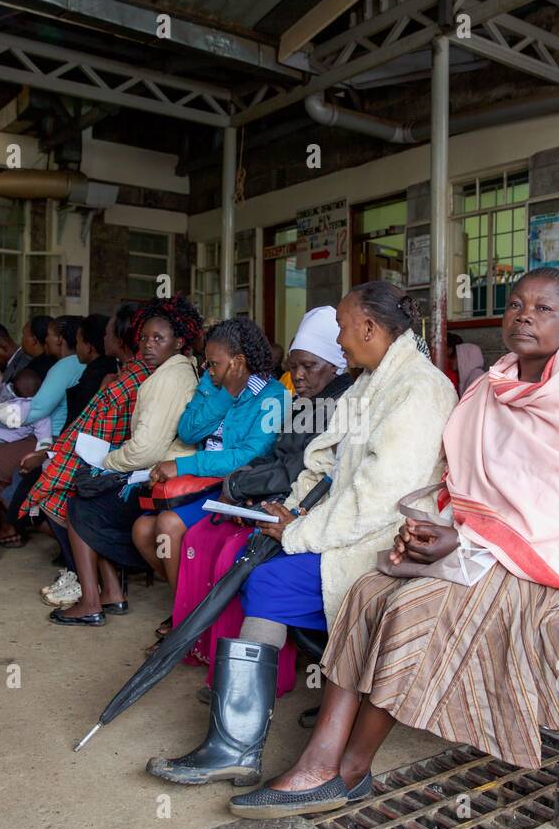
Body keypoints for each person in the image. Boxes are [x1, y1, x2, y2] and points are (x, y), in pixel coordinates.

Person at [219, 269, 559, 816]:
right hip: (482, 541)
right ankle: (320, 763)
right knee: (369, 589)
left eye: (542, 309)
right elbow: (463, 477)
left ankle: (348, 769)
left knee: (413, 609)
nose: (523, 315)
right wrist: (437, 530)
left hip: (558, 559)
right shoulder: (497, 381)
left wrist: (466, 540)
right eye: (516, 304)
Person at [146, 280, 456, 791]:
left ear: (370, 328)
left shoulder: (418, 389)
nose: (341, 339)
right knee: (259, 571)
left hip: (387, 540)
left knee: (267, 582)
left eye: (342, 328)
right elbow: (321, 461)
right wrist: (289, 511)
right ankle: (236, 743)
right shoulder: (373, 381)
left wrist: (299, 532)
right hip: (350, 526)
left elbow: (379, 498)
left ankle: (234, 746)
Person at [161, 305, 355, 702]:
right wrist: (241, 483)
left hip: (300, 513)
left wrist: (238, 482)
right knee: (202, 537)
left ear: (335, 365)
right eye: (294, 366)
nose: (298, 376)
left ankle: (253, 679)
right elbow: (275, 457)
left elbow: (300, 472)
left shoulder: (338, 405)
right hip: (269, 499)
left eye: (309, 366)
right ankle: (212, 657)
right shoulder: (307, 402)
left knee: (235, 555)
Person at [52, 296, 202, 625]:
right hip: (159, 473)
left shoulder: (168, 379)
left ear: (179, 341)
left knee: (80, 502)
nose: (148, 345)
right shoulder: (176, 371)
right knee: (89, 495)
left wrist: (107, 460)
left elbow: (146, 451)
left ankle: (92, 601)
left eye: (158, 339)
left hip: (160, 478)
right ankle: (111, 594)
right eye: (145, 338)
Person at [132, 318, 286, 603]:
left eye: (213, 363)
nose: (206, 368)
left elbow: (251, 455)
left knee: (167, 524)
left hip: (233, 487)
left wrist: (183, 465)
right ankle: (189, 605)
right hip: (200, 483)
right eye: (206, 362)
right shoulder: (212, 382)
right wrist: (226, 393)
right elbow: (189, 430)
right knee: (142, 531)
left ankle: (185, 619)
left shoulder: (273, 396)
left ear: (238, 362)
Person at [28, 301, 148, 607]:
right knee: (61, 483)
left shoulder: (123, 381)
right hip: (112, 460)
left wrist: (54, 458)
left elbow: (96, 433)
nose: (102, 338)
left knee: (57, 493)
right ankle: (106, 588)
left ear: (120, 339)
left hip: (121, 467)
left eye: (107, 333)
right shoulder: (122, 373)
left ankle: (87, 584)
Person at [0, 316, 84, 560]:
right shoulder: (78, 365)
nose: (44, 341)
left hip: (48, 438)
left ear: (60, 339)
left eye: (50, 336)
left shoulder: (62, 366)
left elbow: (37, 410)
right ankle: (9, 529)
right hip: (58, 437)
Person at [66, 314, 119, 426]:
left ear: (89, 346)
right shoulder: (114, 366)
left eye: (78, 342)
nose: (76, 347)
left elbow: (79, 422)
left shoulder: (92, 379)